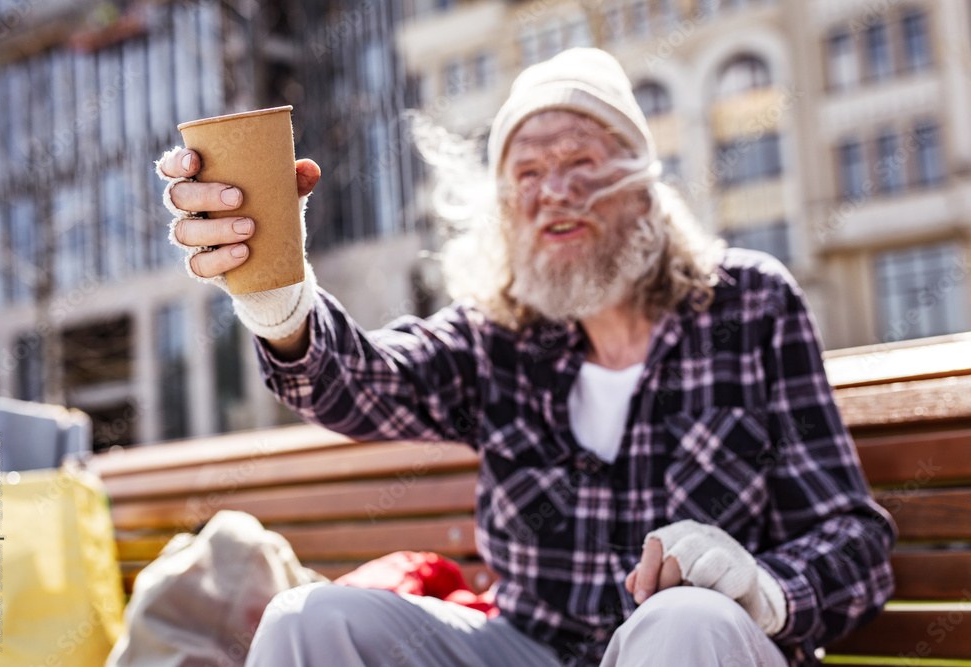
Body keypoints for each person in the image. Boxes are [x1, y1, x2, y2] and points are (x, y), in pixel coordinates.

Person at [155, 48, 895, 667]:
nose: (556, 193)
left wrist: (763, 586)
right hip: (527, 646)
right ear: (506, 209)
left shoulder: (750, 305)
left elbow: (856, 540)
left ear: (643, 189)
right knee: (305, 621)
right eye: (529, 175)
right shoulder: (499, 338)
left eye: (582, 161)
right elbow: (360, 384)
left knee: (686, 620)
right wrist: (273, 284)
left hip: (693, 647)